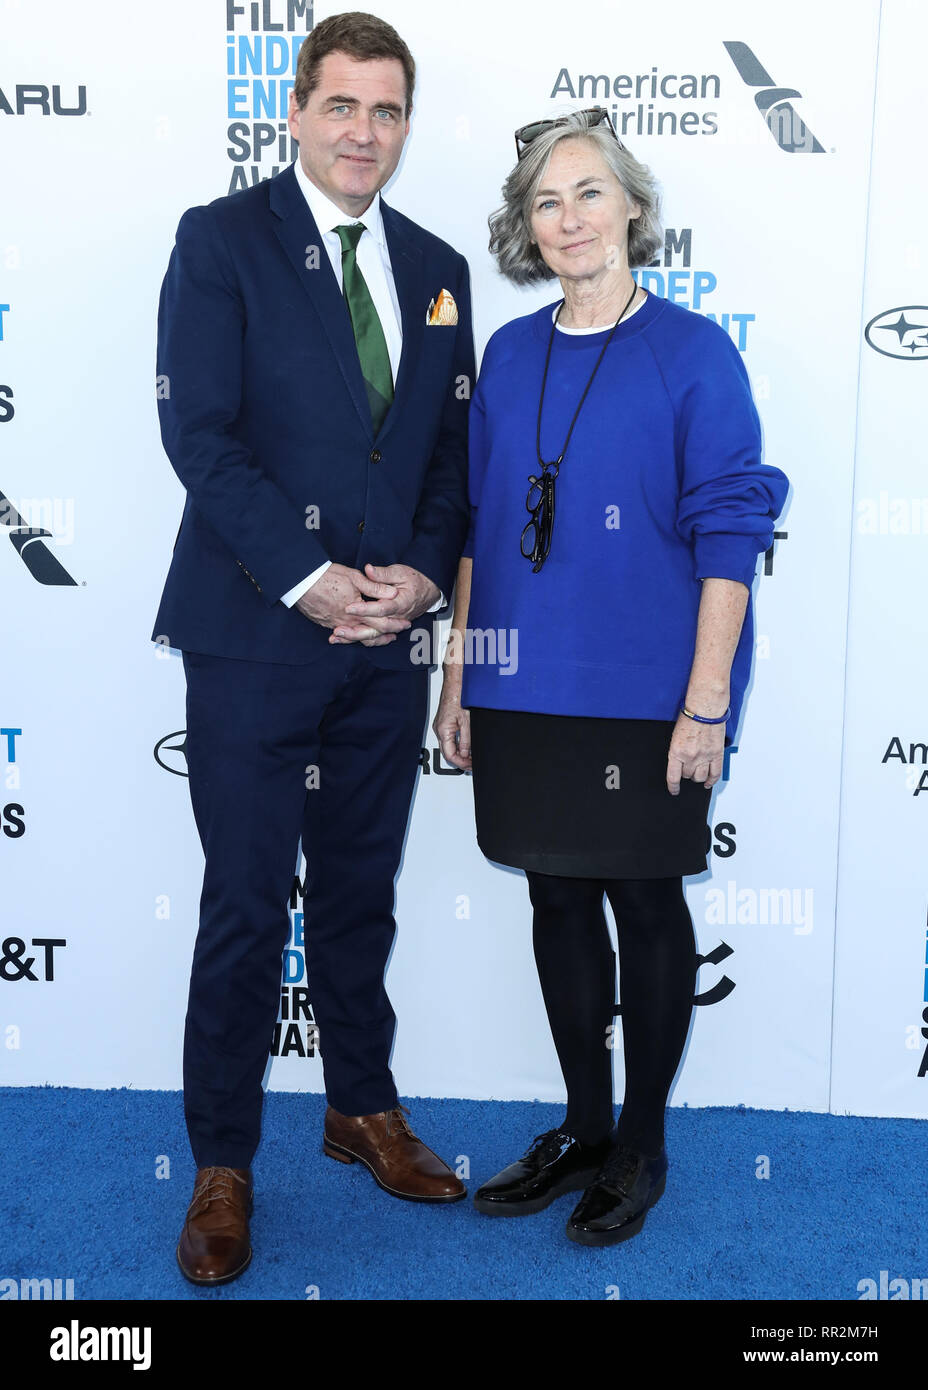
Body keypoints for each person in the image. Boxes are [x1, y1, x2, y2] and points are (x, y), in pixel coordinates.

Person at [153, 11, 475, 1286]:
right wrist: (305, 580)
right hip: (253, 637)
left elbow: (448, 461)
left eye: (386, 111)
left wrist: (412, 592)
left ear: (405, 124)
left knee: (358, 891)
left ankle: (360, 1108)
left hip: (385, 648)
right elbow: (202, 437)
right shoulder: (220, 241)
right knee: (245, 904)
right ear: (294, 111)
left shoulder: (439, 264)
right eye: (341, 106)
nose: (363, 132)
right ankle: (224, 1163)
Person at [434, 108, 789, 1247]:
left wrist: (706, 702)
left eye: (589, 192)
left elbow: (730, 533)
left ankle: (641, 1145)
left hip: (647, 694)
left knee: (643, 903)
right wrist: (457, 678)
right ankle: (583, 1126)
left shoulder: (693, 353)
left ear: (632, 204)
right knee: (551, 897)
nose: (569, 217)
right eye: (546, 200)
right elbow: (482, 528)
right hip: (521, 685)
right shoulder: (509, 353)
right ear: (525, 229)